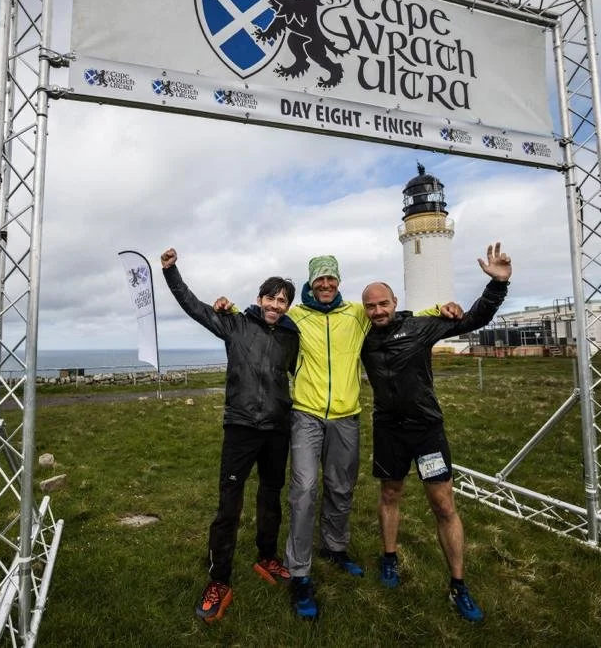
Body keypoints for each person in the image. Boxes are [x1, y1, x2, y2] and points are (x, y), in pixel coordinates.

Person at [215, 255, 460, 620]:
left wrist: (441, 307)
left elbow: (394, 315)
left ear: (338, 281)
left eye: (331, 279)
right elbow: (262, 315)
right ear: (311, 284)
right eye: (319, 281)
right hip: (306, 415)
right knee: (304, 491)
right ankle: (299, 572)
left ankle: (334, 548)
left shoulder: (357, 313)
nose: (325, 285)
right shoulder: (295, 316)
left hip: (347, 417)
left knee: (341, 487)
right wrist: (230, 307)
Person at [360, 242, 512, 624]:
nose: (378, 311)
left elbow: (471, 321)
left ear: (395, 302)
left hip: (426, 429)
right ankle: (389, 558)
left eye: (383, 303)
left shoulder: (420, 326)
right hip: (388, 429)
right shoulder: (361, 337)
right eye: (371, 306)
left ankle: (458, 585)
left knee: (443, 504)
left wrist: (497, 286)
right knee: (390, 493)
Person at [161, 247, 300, 625]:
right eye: (271, 297)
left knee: (271, 497)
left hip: (277, 429)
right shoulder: (234, 323)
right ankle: (218, 580)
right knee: (228, 507)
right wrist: (172, 272)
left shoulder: (291, 334)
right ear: (260, 299)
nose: (276, 304)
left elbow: (300, 370)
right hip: (240, 428)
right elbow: (194, 307)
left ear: (287, 305)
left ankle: (267, 557)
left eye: (283, 300)